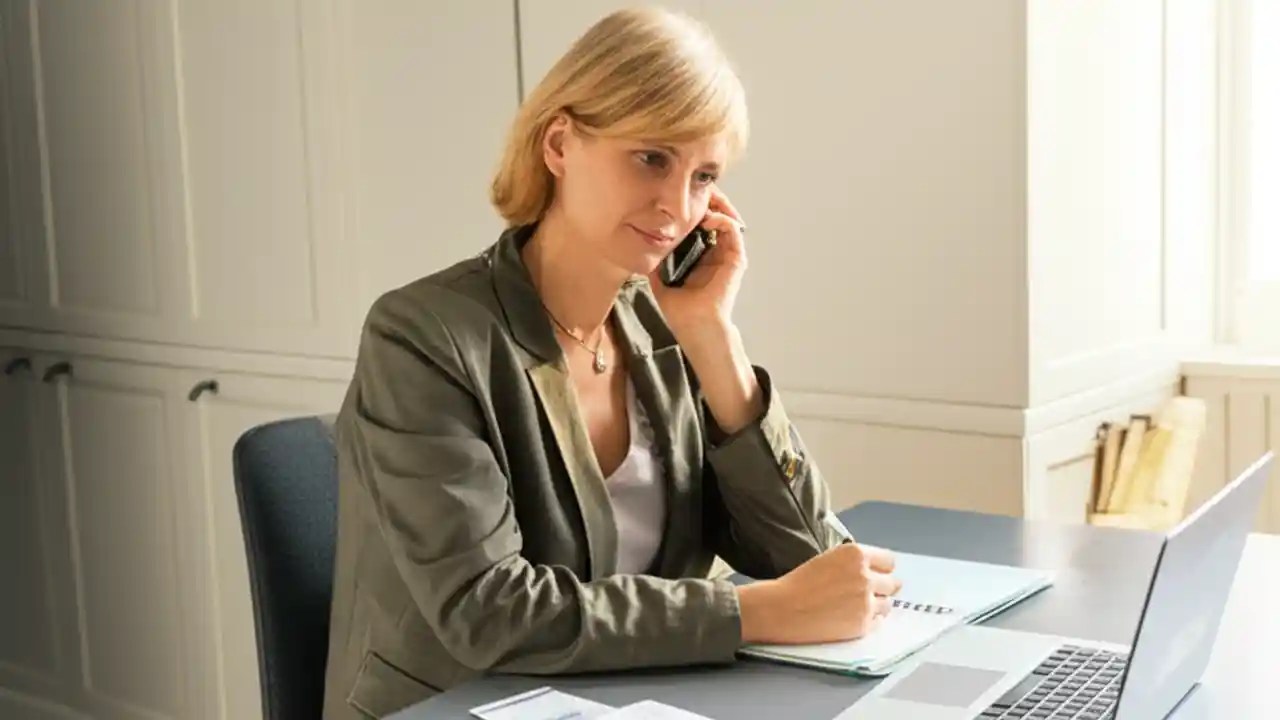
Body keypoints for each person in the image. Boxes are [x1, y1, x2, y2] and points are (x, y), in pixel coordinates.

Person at [322, 7, 901, 719]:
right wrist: (751, 613)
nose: (676, 206)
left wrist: (715, 341)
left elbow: (811, 559)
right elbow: (488, 613)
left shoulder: (667, 328)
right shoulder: (423, 336)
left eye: (704, 176)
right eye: (652, 158)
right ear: (560, 143)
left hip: (634, 701)